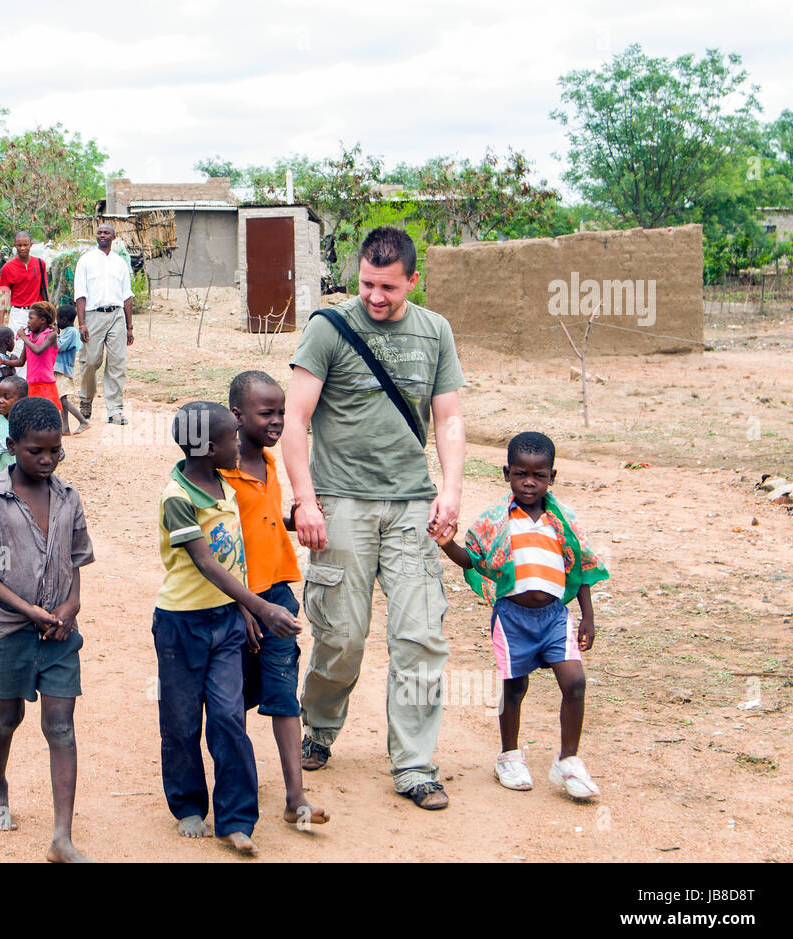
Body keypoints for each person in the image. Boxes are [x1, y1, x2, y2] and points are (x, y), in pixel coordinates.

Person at [280, 226, 466, 811]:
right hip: (341, 503)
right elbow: (294, 419)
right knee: (342, 634)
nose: (375, 297)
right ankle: (319, 724)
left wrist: (452, 492)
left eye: (388, 286)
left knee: (420, 636)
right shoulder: (329, 328)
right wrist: (305, 499)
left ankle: (414, 764)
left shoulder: (435, 332)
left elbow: (449, 420)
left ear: (413, 280)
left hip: (412, 503)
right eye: (366, 283)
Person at [152, 400, 301, 857]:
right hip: (181, 625)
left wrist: (241, 611)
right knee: (180, 722)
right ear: (208, 446)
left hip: (226, 622)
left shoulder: (226, 488)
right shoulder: (177, 498)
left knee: (228, 719)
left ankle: (236, 818)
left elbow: (235, 554)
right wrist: (260, 607)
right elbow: (205, 562)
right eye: (232, 438)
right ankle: (189, 805)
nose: (240, 443)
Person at [0, 397, 94, 863]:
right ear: (11, 447)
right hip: (10, 631)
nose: (48, 459)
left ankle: (62, 837)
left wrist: (71, 605)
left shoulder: (69, 498)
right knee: (8, 717)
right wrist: (27, 609)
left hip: (58, 634)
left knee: (61, 727)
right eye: (37, 451)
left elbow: (76, 561)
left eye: (56, 451)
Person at [438, 432, 608, 799]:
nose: (529, 482)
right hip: (513, 617)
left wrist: (587, 617)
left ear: (552, 476)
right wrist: (446, 543)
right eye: (520, 474)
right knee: (515, 688)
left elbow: (579, 569)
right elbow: (474, 558)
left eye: (539, 475)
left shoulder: (563, 521)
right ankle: (509, 756)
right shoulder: (496, 520)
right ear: (506, 474)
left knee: (575, 683)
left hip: (553, 617)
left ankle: (568, 761)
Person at [219, 371, 329, 828]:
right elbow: (221, 544)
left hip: (279, 597)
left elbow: (261, 520)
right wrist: (244, 606)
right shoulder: (220, 472)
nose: (278, 420)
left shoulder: (267, 461)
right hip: (235, 604)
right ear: (237, 415)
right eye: (267, 413)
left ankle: (295, 797)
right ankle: (236, 794)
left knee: (284, 697)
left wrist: (297, 520)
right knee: (233, 703)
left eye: (282, 412)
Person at [73, 224, 135, 425]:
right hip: (93, 316)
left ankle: (115, 410)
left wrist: (129, 327)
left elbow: (127, 296)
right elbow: (80, 294)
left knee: (117, 362)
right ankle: (86, 399)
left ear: (113, 237)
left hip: (117, 315)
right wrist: (81, 324)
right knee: (90, 361)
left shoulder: (120, 263)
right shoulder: (86, 261)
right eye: (99, 232)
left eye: (106, 232)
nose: (102, 235)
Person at [0, 230, 49, 375]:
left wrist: (50, 315)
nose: (23, 248)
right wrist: (1, 322)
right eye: (19, 245)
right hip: (18, 313)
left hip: (38, 313)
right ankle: (21, 388)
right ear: (15, 246)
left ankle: (33, 385)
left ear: (31, 245)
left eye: (25, 245)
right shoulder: (8, 268)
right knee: (19, 349)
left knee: (38, 347)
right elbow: (5, 295)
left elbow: (44, 289)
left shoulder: (40, 264)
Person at [52, 305, 87, 436]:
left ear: (64, 319)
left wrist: (54, 334)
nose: (57, 322)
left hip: (63, 371)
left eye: (58, 320)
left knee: (63, 400)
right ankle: (65, 428)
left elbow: (59, 346)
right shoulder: (67, 332)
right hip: (59, 370)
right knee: (61, 398)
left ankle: (82, 421)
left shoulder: (71, 332)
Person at [20, 301, 60, 413]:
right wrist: (3, 361)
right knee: (33, 415)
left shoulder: (50, 335)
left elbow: (38, 350)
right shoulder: (29, 337)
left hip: (46, 384)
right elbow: (21, 361)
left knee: (48, 414)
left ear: (42, 320)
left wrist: (23, 337)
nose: (28, 321)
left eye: (31, 318)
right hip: (31, 384)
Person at [0, 325, 19, 412]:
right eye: (13, 339)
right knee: (1, 419)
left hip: (7, 396)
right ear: (8, 341)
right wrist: (12, 362)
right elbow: (5, 374)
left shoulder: (5, 357)